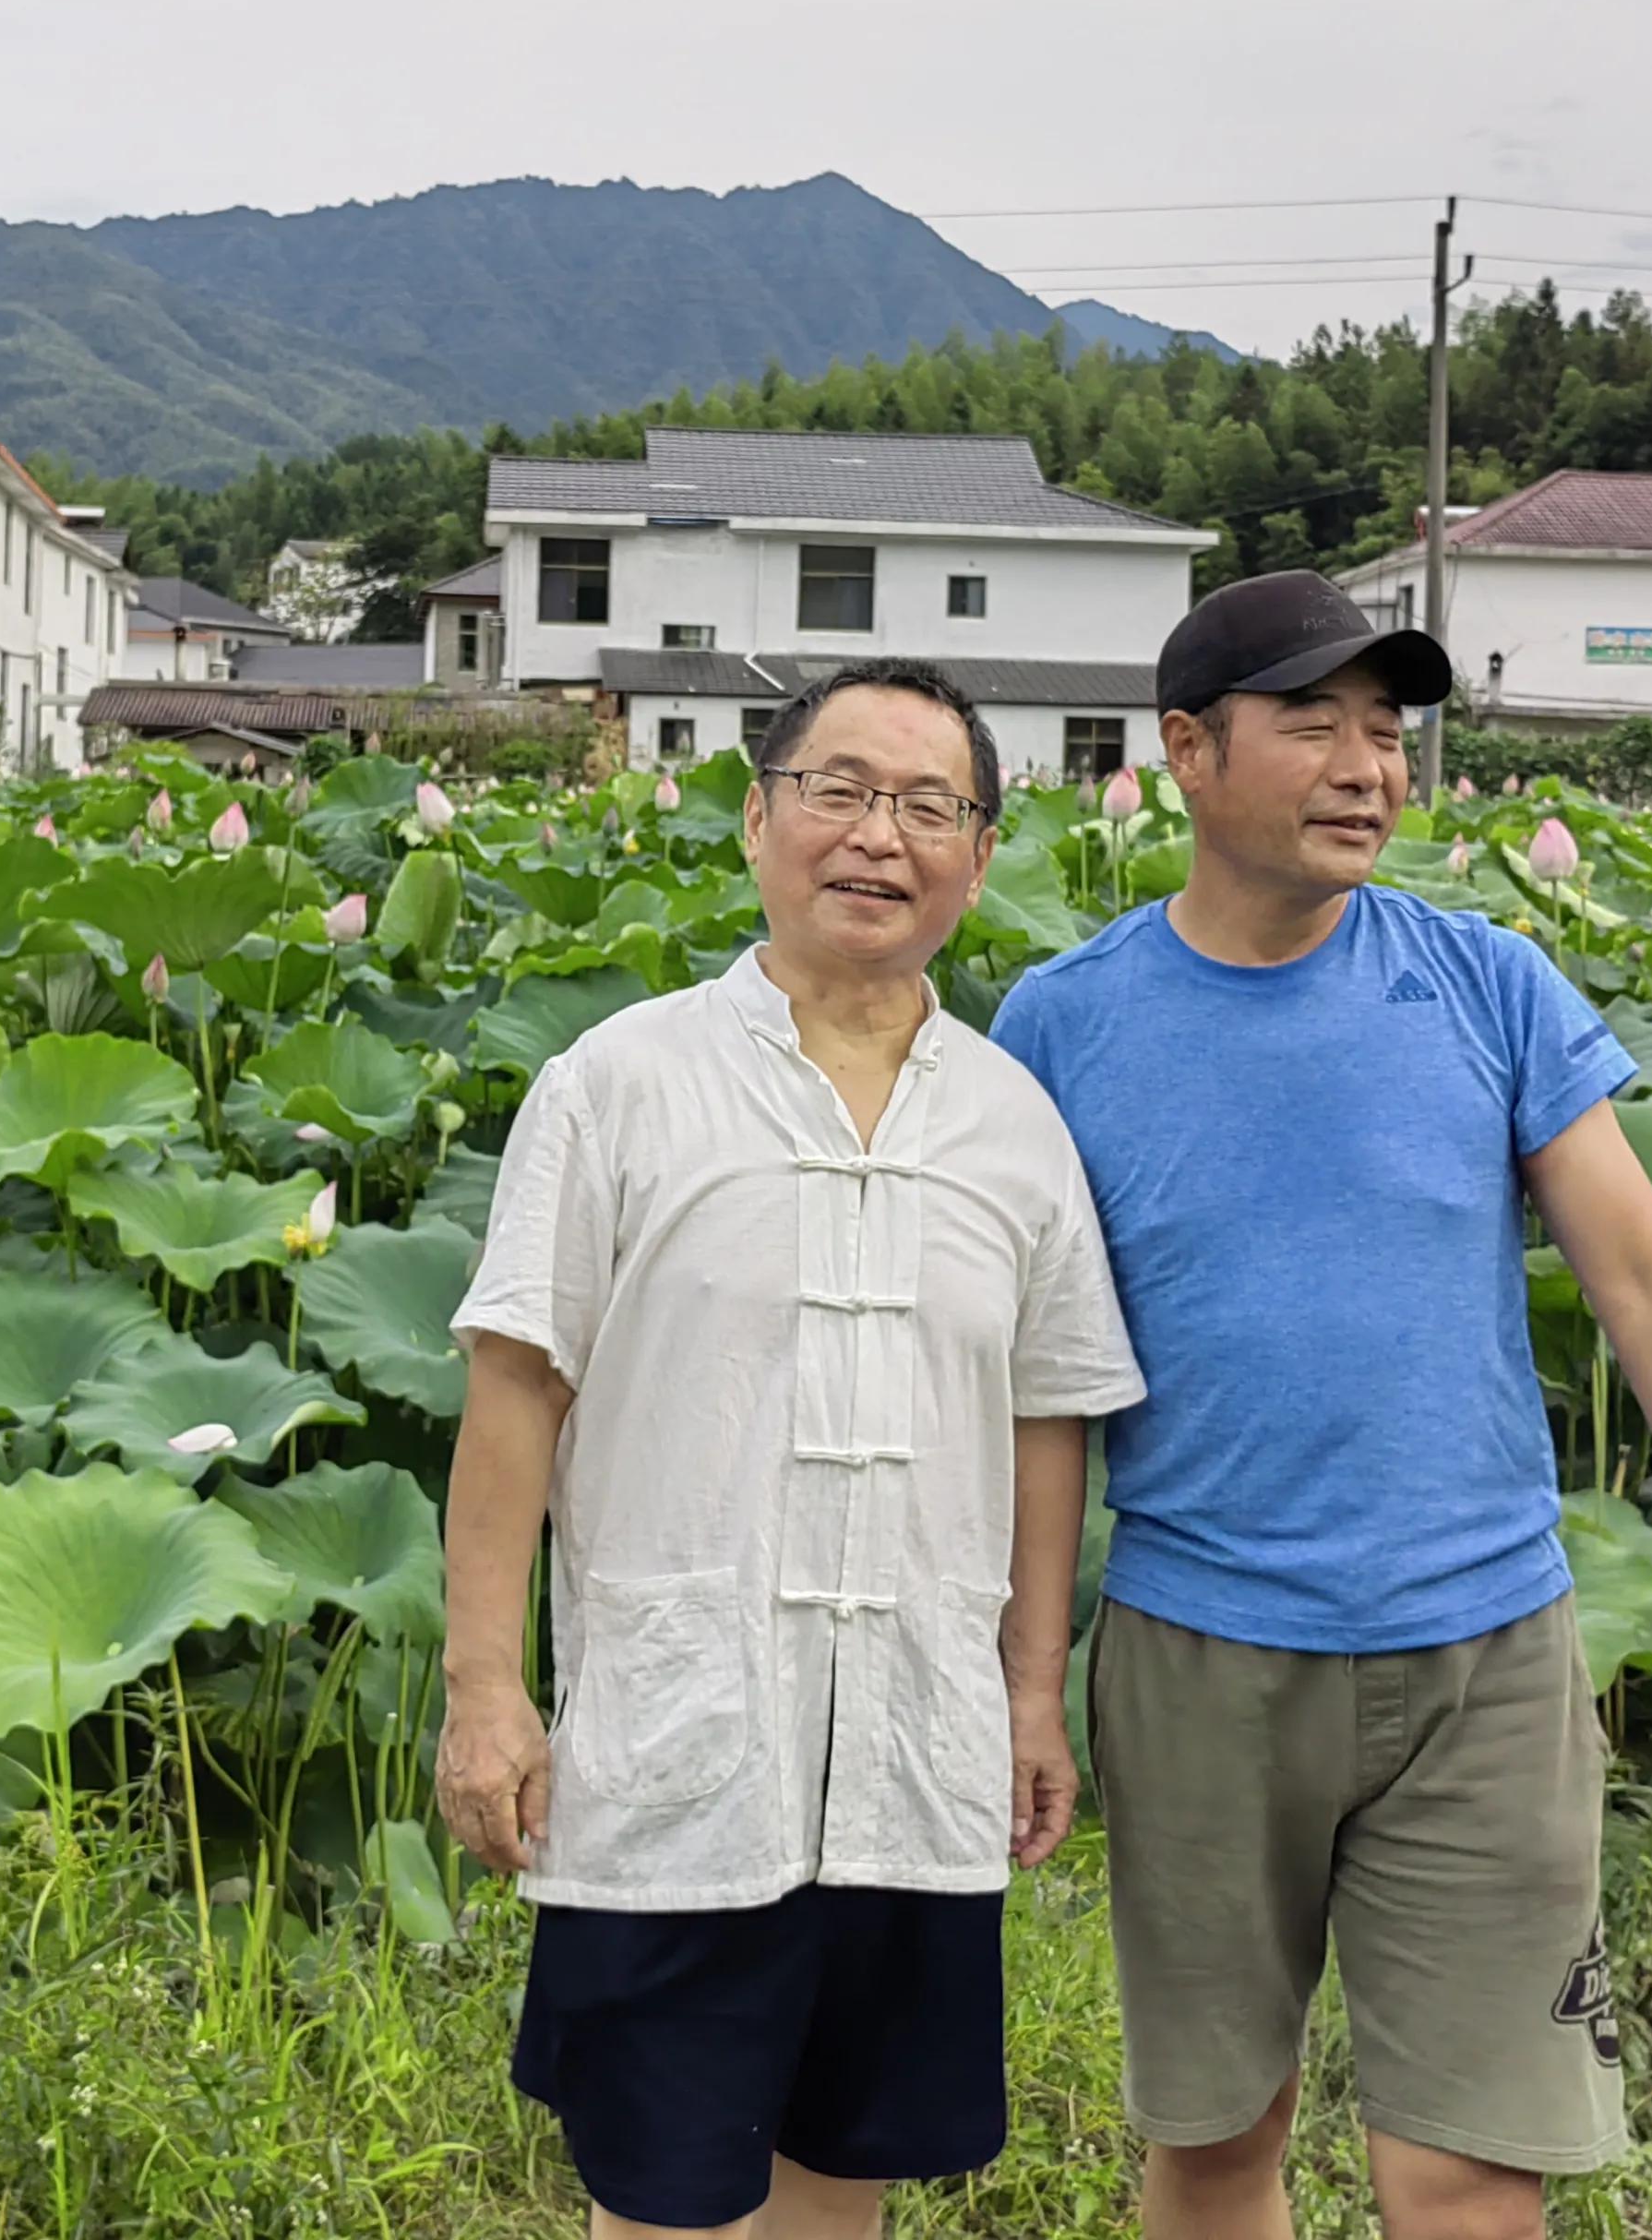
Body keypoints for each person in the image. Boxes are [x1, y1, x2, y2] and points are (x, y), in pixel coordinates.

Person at [989, 570, 1652, 2240]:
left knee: (1469, 2164)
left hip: (1484, 1655)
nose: (1367, 766)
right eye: (1312, 722)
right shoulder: (1064, 1023)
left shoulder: (1487, 983)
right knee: (1219, 2139)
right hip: (1199, 1654)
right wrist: (1034, 1681)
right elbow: (1042, 1389)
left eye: (1388, 731)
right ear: (1186, 749)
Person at [438, 660, 1146, 2240]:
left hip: (913, 1743)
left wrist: (1034, 1691)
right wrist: (487, 1689)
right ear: (758, 817)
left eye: (927, 806)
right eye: (837, 790)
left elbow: (1048, 1425)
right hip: (681, 1757)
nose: (876, 837)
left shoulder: (1018, 1125)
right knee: (666, 2200)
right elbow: (514, 1397)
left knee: (847, 2189)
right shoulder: (617, 1084)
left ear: (977, 852)